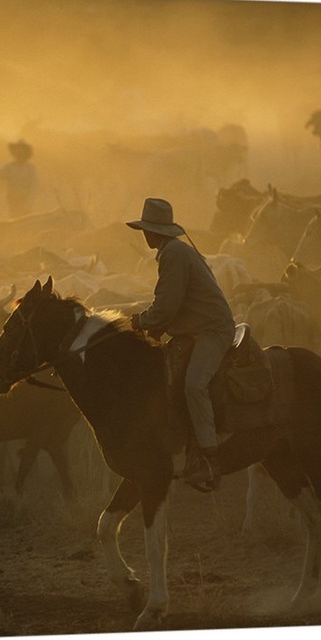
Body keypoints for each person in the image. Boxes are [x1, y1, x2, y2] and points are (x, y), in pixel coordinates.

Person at [126, 197, 235, 490]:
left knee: (194, 384)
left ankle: (210, 460)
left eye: (146, 230)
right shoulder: (175, 250)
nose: (144, 235)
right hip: (196, 328)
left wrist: (140, 321)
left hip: (211, 330)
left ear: (153, 232)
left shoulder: (172, 254)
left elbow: (166, 307)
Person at [0, 139, 38, 218]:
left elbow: (33, 188)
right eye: (17, 150)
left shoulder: (31, 169)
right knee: (14, 220)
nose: (19, 152)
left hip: (25, 201)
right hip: (12, 202)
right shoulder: (9, 167)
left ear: (26, 152)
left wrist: (28, 206)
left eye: (21, 150)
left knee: (25, 221)